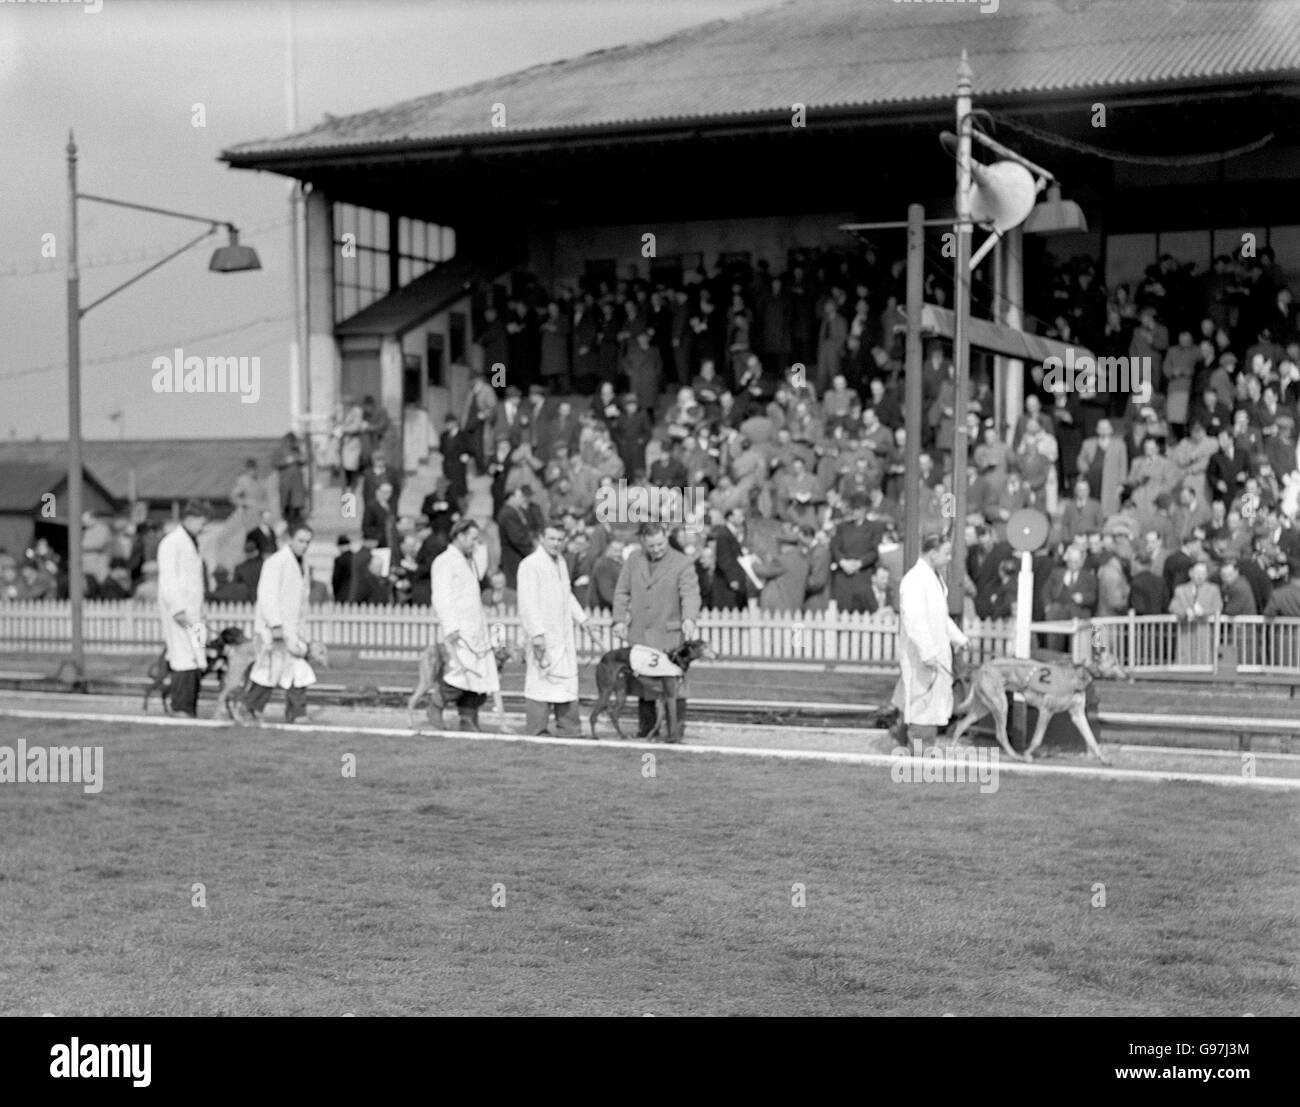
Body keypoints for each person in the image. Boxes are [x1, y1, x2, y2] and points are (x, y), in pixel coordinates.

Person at [612, 522, 702, 741]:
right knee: (644, 684)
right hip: (640, 633)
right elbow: (622, 592)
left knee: (674, 687)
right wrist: (619, 621)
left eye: (660, 544)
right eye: (652, 546)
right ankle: (647, 728)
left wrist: (689, 619)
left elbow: (690, 594)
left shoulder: (682, 562)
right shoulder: (634, 559)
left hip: (669, 635)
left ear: (666, 537)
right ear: (643, 541)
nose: (657, 549)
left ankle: (675, 731)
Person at [891, 533, 969, 753]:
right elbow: (914, 620)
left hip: (935, 650)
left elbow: (940, 617)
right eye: (946, 553)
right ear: (932, 553)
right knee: (922, 702)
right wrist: (926, 652)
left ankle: (913, 744)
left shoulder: (934, 578)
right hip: (923, 654)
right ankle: (920, 750)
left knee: (929, 701)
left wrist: (959, 639)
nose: (948, 558)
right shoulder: (915, 580)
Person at [234, 524, 319, 725]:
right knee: (270, 671)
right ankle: (248, 707)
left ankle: (296, 713)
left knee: (297, 669)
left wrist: (300, 632)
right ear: (290, 539)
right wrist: (275, 626)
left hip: (292, 629)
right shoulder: (276, 562)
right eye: (301, 540)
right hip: (274, 629)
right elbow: (267, 595)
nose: (304, 545)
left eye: (308, 541)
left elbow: (300, 602)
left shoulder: (302, 564)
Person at [517, 521, 593, 737]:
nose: (556, 543)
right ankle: (537, 728)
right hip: (543, 634)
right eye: (551, 539)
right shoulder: (530, 564)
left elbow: (566, 594)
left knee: (566, 681)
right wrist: (537, 634)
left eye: (560, 539)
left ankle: (569, 728)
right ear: (541, 538)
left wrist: (582, 619)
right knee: (540, 682)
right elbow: (527, 603)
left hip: (563, 634)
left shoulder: (560, 562)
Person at [430, 519, 499, 731]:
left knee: (477, 676)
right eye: (472, 539)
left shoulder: (468, 561)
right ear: (459, 536)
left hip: (475, 627)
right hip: (459, 628)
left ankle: (468, 718)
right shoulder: (444, 561)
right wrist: (451, 627)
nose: (475, 544)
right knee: (458, 673)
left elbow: (483, 565)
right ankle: (435, 705)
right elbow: (441, 597)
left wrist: (480, 544)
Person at [155, 500, 211, 718]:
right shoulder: (172, 543)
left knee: (197, 656)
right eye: (201, 522)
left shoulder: (190, 542)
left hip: (193, 612)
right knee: (183, 657)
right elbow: (168, 580)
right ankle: (181, 707)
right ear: (189, 519)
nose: (203, 527)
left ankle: (190, 706)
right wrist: (177, 609)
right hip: (179, 612)